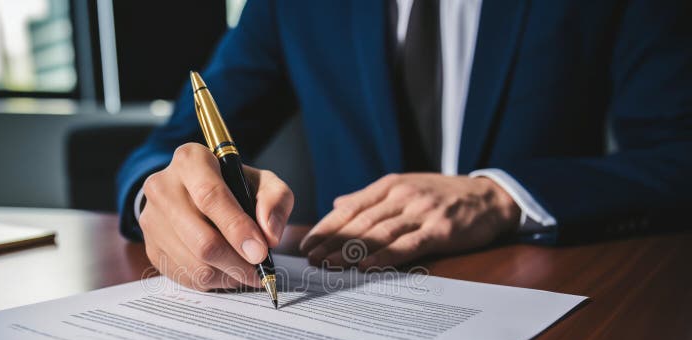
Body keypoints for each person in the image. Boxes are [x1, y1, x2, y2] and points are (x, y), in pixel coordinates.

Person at [116, 0, 692, 291]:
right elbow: (167, 151)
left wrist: (502, 198)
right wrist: (155, 199)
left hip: (554, 328)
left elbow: (677, 154)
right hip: (353, 307)